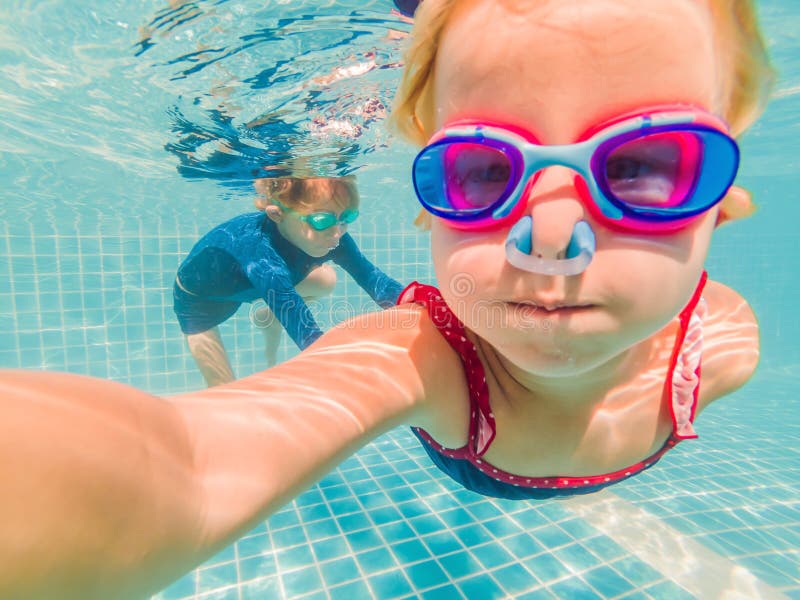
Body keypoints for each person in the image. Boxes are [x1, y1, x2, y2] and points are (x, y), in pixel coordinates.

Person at [0, 0, 774, 598]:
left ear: (724, 202)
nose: (549, 236)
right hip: (207, 302)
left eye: (644, 164)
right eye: (483, 173)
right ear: (432, 208)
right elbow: (191, 464)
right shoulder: (420, 355)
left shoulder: (723, 344)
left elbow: (353, 268)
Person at [175, 175, 404, 385]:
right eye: (321, 220)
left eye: (347, 218)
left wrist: (419, 303)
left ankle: (269, 312)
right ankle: (272, 310)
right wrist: (345, 374)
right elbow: (303, 329)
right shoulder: (259, 252)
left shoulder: (332, 234)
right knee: (223, 390)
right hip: (200, 303)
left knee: (326, 280)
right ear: (277, 214)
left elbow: (371, 277)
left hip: (257, 286)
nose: (337, 233)